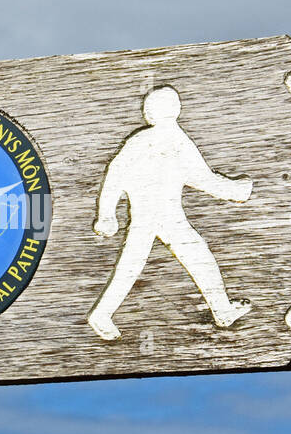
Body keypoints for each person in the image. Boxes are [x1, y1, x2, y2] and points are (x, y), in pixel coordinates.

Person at [88, 85, 252, 340]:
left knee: (192, 257)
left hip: (167, 216)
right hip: (150, 216)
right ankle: (100, 315)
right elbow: (116, 175)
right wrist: (106, 214)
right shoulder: (157, 141)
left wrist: (107, 213)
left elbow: (115, 177)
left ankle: (221, 309)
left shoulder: (157, 141)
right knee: (133, 265)